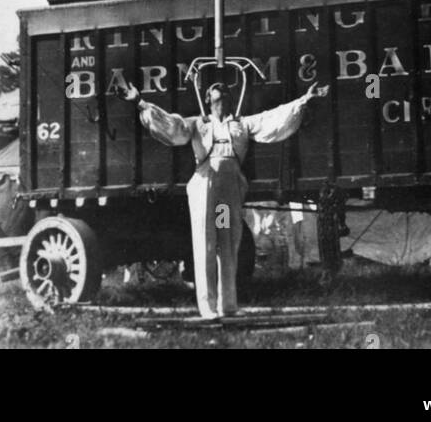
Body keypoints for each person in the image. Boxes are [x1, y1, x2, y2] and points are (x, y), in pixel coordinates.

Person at [121, 77, 328, 319]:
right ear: (208, 101)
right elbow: (171, 126)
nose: (221, 101)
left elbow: (272, 119)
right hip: (205, 188)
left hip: (228, 192)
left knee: (227, 244)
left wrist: (305, 99)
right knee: (205, 244)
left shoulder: (241, 125)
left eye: (225, 97)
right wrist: (139, 102)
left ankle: (227, 305)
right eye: (216, 97)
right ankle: (207, 308)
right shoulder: (197, 124)